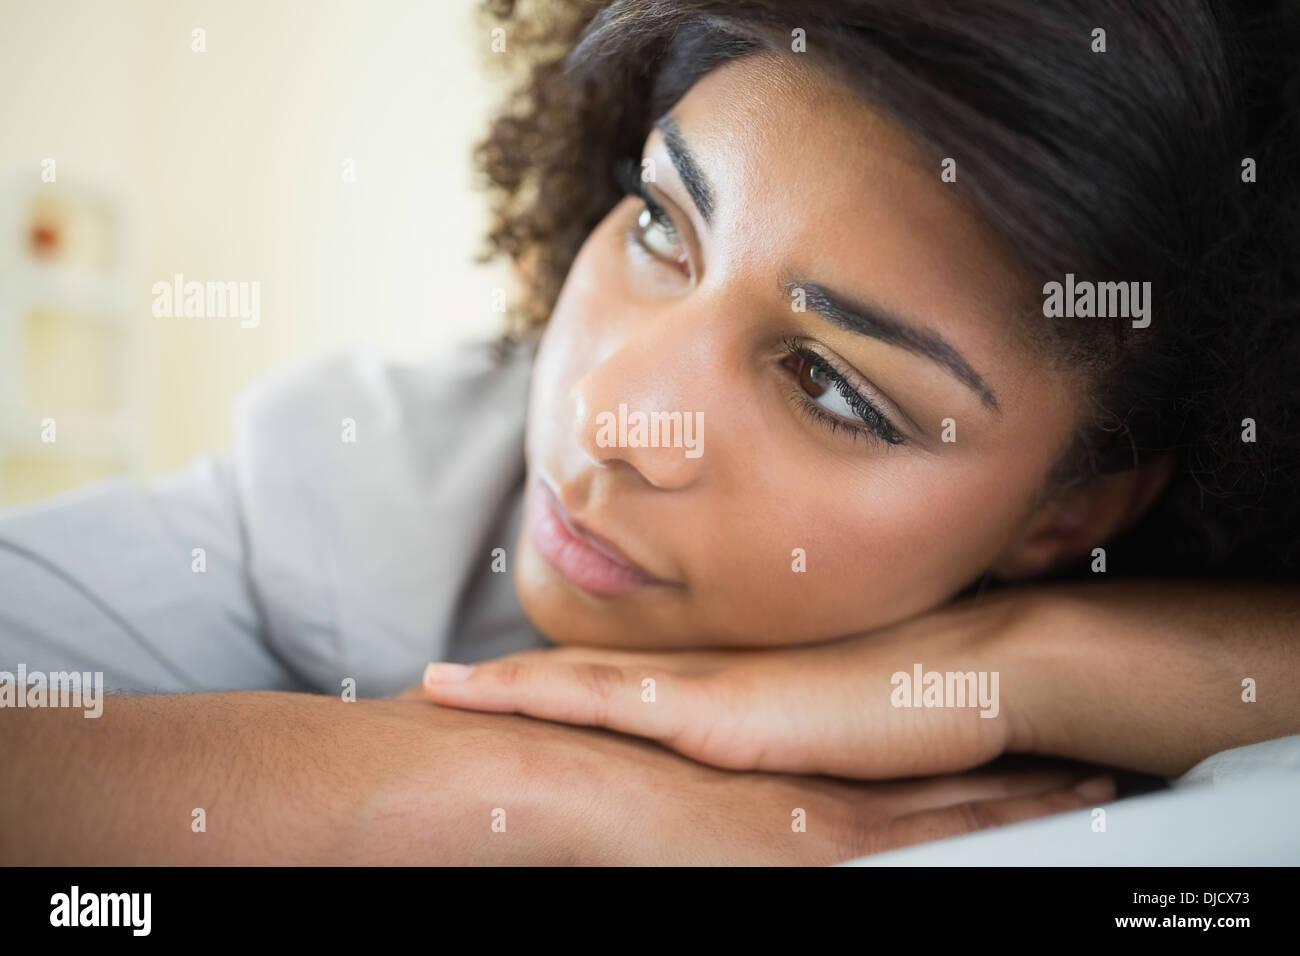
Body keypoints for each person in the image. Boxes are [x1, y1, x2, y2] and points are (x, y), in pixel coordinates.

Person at [2, 0, 1297, 865]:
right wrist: (476, 780)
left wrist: (1034, 660)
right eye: (664, 226)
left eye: (834, 387)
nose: (611, 417)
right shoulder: (382, 471)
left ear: (1073, 513)